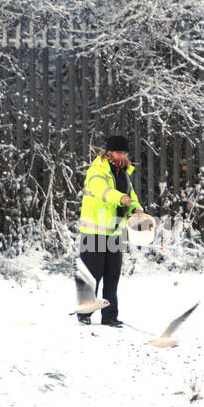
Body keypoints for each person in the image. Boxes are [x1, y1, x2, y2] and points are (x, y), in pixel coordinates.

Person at [77, 135, 146, 327]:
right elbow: (103, 192)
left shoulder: (123, 173)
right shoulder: (97, 170)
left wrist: (136, 208)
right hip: (94, 231)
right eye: (119, 152)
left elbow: (130, 195)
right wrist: (120, 198)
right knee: (92, 276)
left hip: (115, 232)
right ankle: (84, 314)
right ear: (109, 153)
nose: (123, 156)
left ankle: (110, 316)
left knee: (112, 277)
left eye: (125, 152)